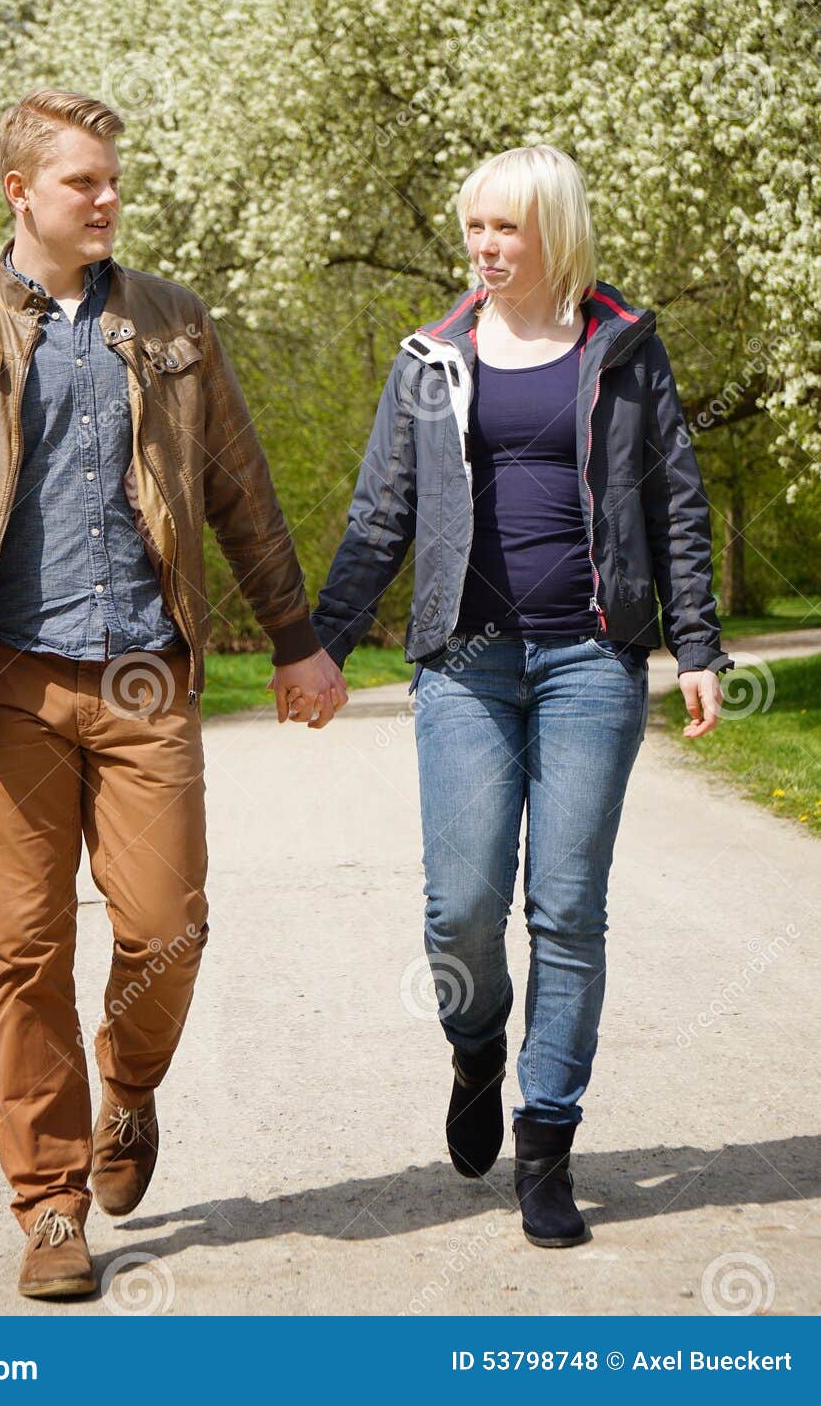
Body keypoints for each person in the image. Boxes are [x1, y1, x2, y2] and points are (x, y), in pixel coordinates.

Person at [0, 88, 346, 1299]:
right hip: (7, 682)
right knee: (25, 946)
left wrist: (297, 637)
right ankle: (52, 1204)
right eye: (85, 180)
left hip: (142, 674)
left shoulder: (171, 323)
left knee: (166, 925)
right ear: (20, 192)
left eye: (113, 178)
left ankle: (129, 1091)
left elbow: (236, 485)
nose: (109, 196)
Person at [306, 143, 732, 1247]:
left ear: (555, 231)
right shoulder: (431, 357)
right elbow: (380, 513)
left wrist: (695, 645)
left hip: (591, 658)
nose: (484, 246)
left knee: (566, 907)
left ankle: (545, 1145)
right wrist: (322, 643)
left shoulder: (622, 348)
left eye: (506, 227)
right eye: (474, 226)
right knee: (460, 905)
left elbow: (675, 502)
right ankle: (475, 1045)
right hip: (465, 663)